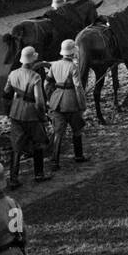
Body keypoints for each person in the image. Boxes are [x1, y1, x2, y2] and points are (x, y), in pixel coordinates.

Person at [2, 46, 49, 186]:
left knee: (16, 147)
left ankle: (13, 178)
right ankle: (39, 174)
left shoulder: (13, 74)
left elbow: (5, 94)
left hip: (16, 112)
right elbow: (39, 102)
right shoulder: (35, 77)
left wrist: (8, 111)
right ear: (33, 59)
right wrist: (43, 116)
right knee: (38, 143)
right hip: (31, 114)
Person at [44, 39, 89, 168]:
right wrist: (82, 103)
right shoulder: (73, 66)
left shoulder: (54, 65)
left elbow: (47, 83)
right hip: (71, 102)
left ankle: (55, 161)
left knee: (58, 132)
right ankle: (79, 156)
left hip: (57, 101)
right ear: (73, 52)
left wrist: (50, 97)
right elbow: (78, 87)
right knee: (77, 130)